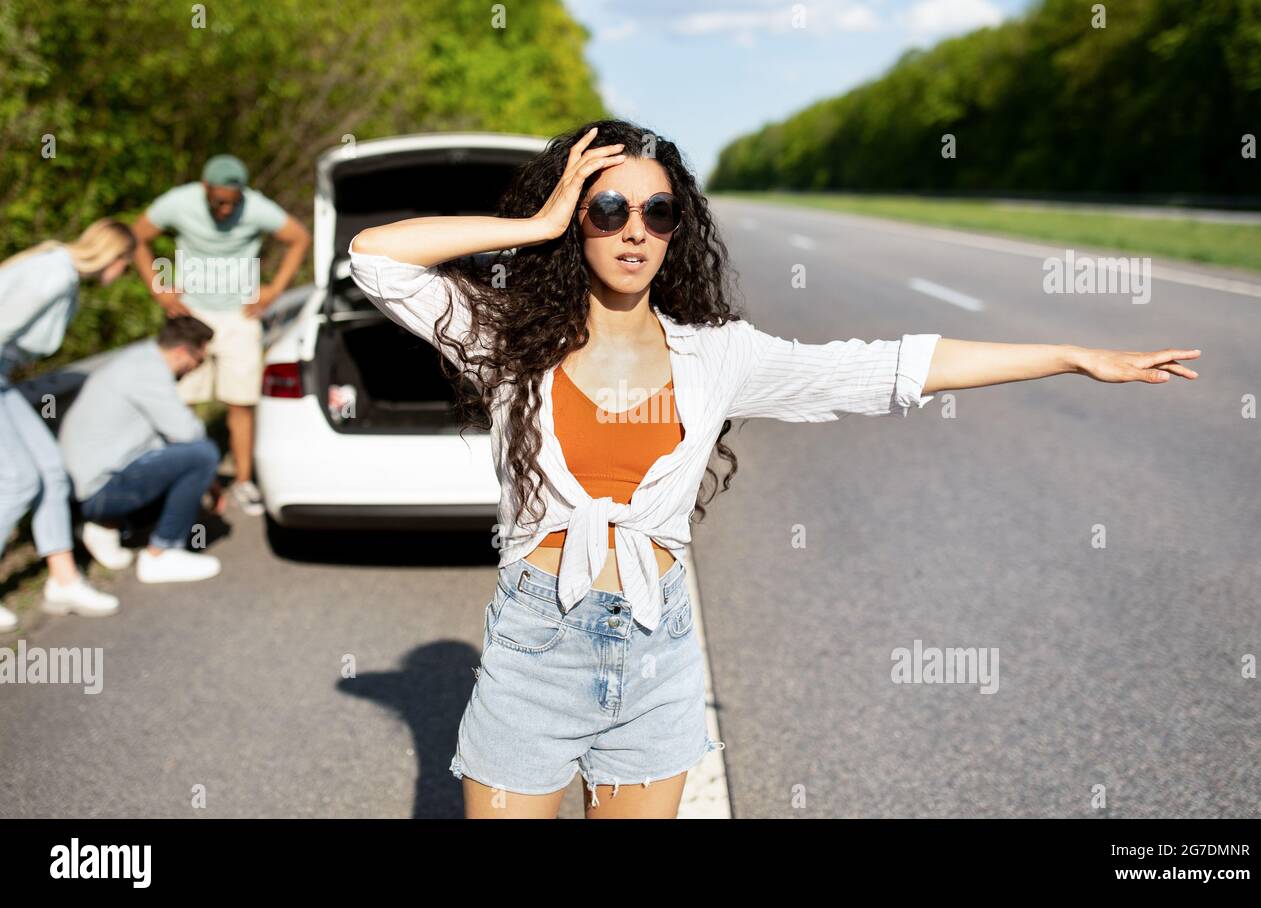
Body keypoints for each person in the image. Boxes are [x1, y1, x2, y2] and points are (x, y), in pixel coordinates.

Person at [348, 120, 1202, 820]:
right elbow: (379, 257)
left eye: (658, 211)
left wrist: (1069, 354)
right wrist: (535, 222)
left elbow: (889, 369)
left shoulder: (719, 357)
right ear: (578, 218)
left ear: (678, 228)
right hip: (535, 647)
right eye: (608, 208)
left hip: (658, 650)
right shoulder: (506, 341)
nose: (634, 229)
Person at [131, 153, 311, 516]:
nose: (226, 209)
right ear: (205, 188)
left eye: (233, 201)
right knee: (182, 400)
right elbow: (136, 237)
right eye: (219, 201)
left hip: (239, 316)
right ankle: (181, 480)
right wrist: (158, 289)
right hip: (191, 313)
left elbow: (298, 237)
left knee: (240, 402)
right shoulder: (178, 203)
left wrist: (274, 289)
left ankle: (243, 481)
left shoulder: (257, 208)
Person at [0, 219, 136, 631]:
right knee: (19, 479)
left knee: (52, 472)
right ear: (114, 256)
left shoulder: (63, 272)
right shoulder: (56, 276)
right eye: (127, 266)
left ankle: (64, 582)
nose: (123, 275)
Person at [58, 316, 224, 584]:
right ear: (182, 351)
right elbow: (187, 433)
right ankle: (162, 553)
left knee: (186, 464)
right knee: (202, 455)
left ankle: (108, 526)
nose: (196, 368)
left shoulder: (138, 359)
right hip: (97, 490)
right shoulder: (149, 373)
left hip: (89, 484)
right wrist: (210, 478)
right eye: (199, 360)